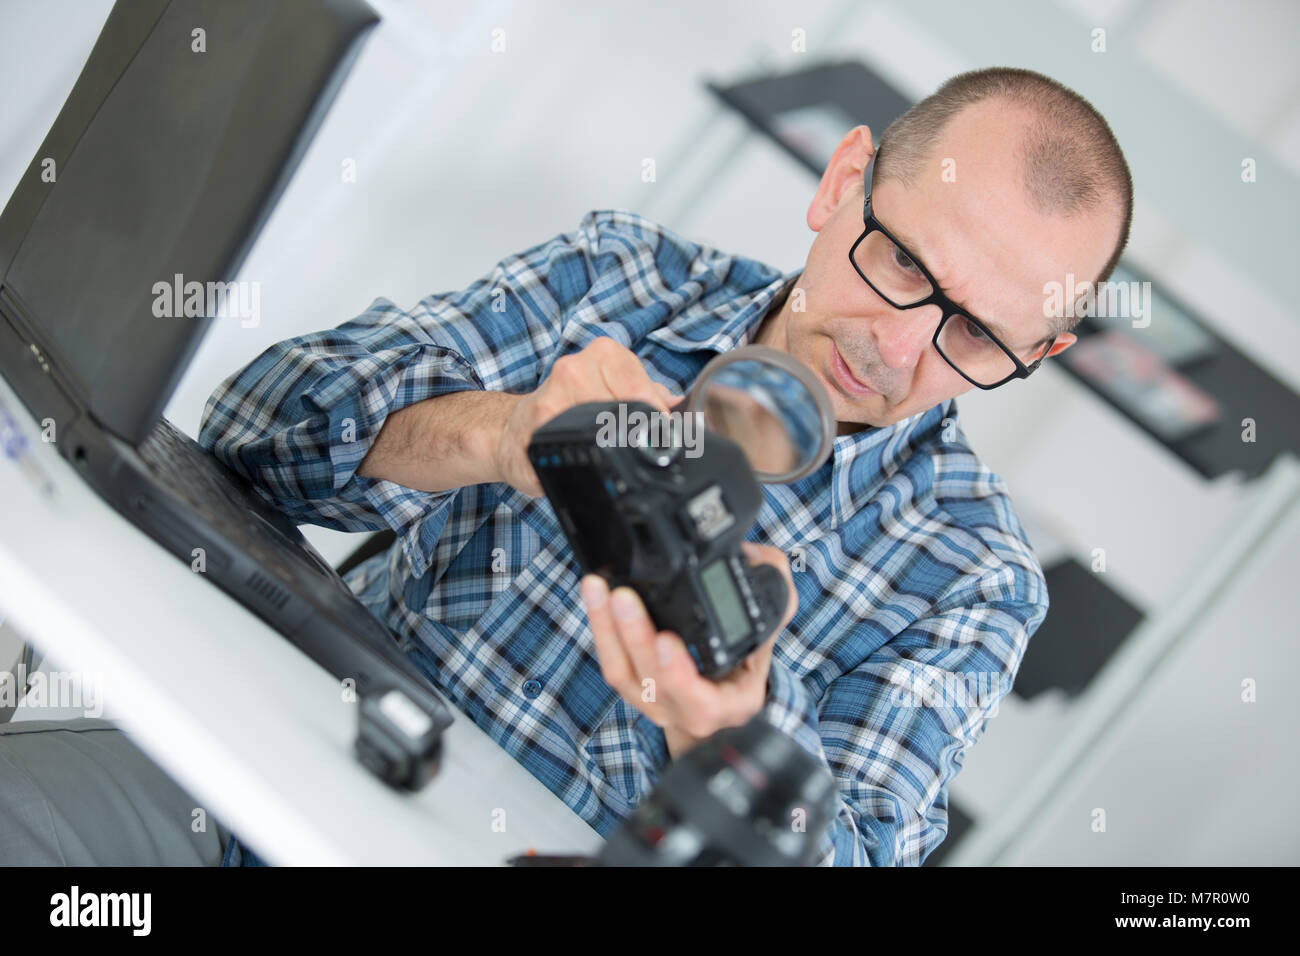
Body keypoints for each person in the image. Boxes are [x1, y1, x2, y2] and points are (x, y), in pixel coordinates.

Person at [0, 66, 1132, 866]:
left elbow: (852, 852)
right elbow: (251, 428)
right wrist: (501, 434)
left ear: (1042, 351)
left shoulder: (972, 580)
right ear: (843, 185)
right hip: (255, 776)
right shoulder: (621, 281)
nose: (896, 351)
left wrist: (723, 735)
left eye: (976, 336)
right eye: (900, 263)